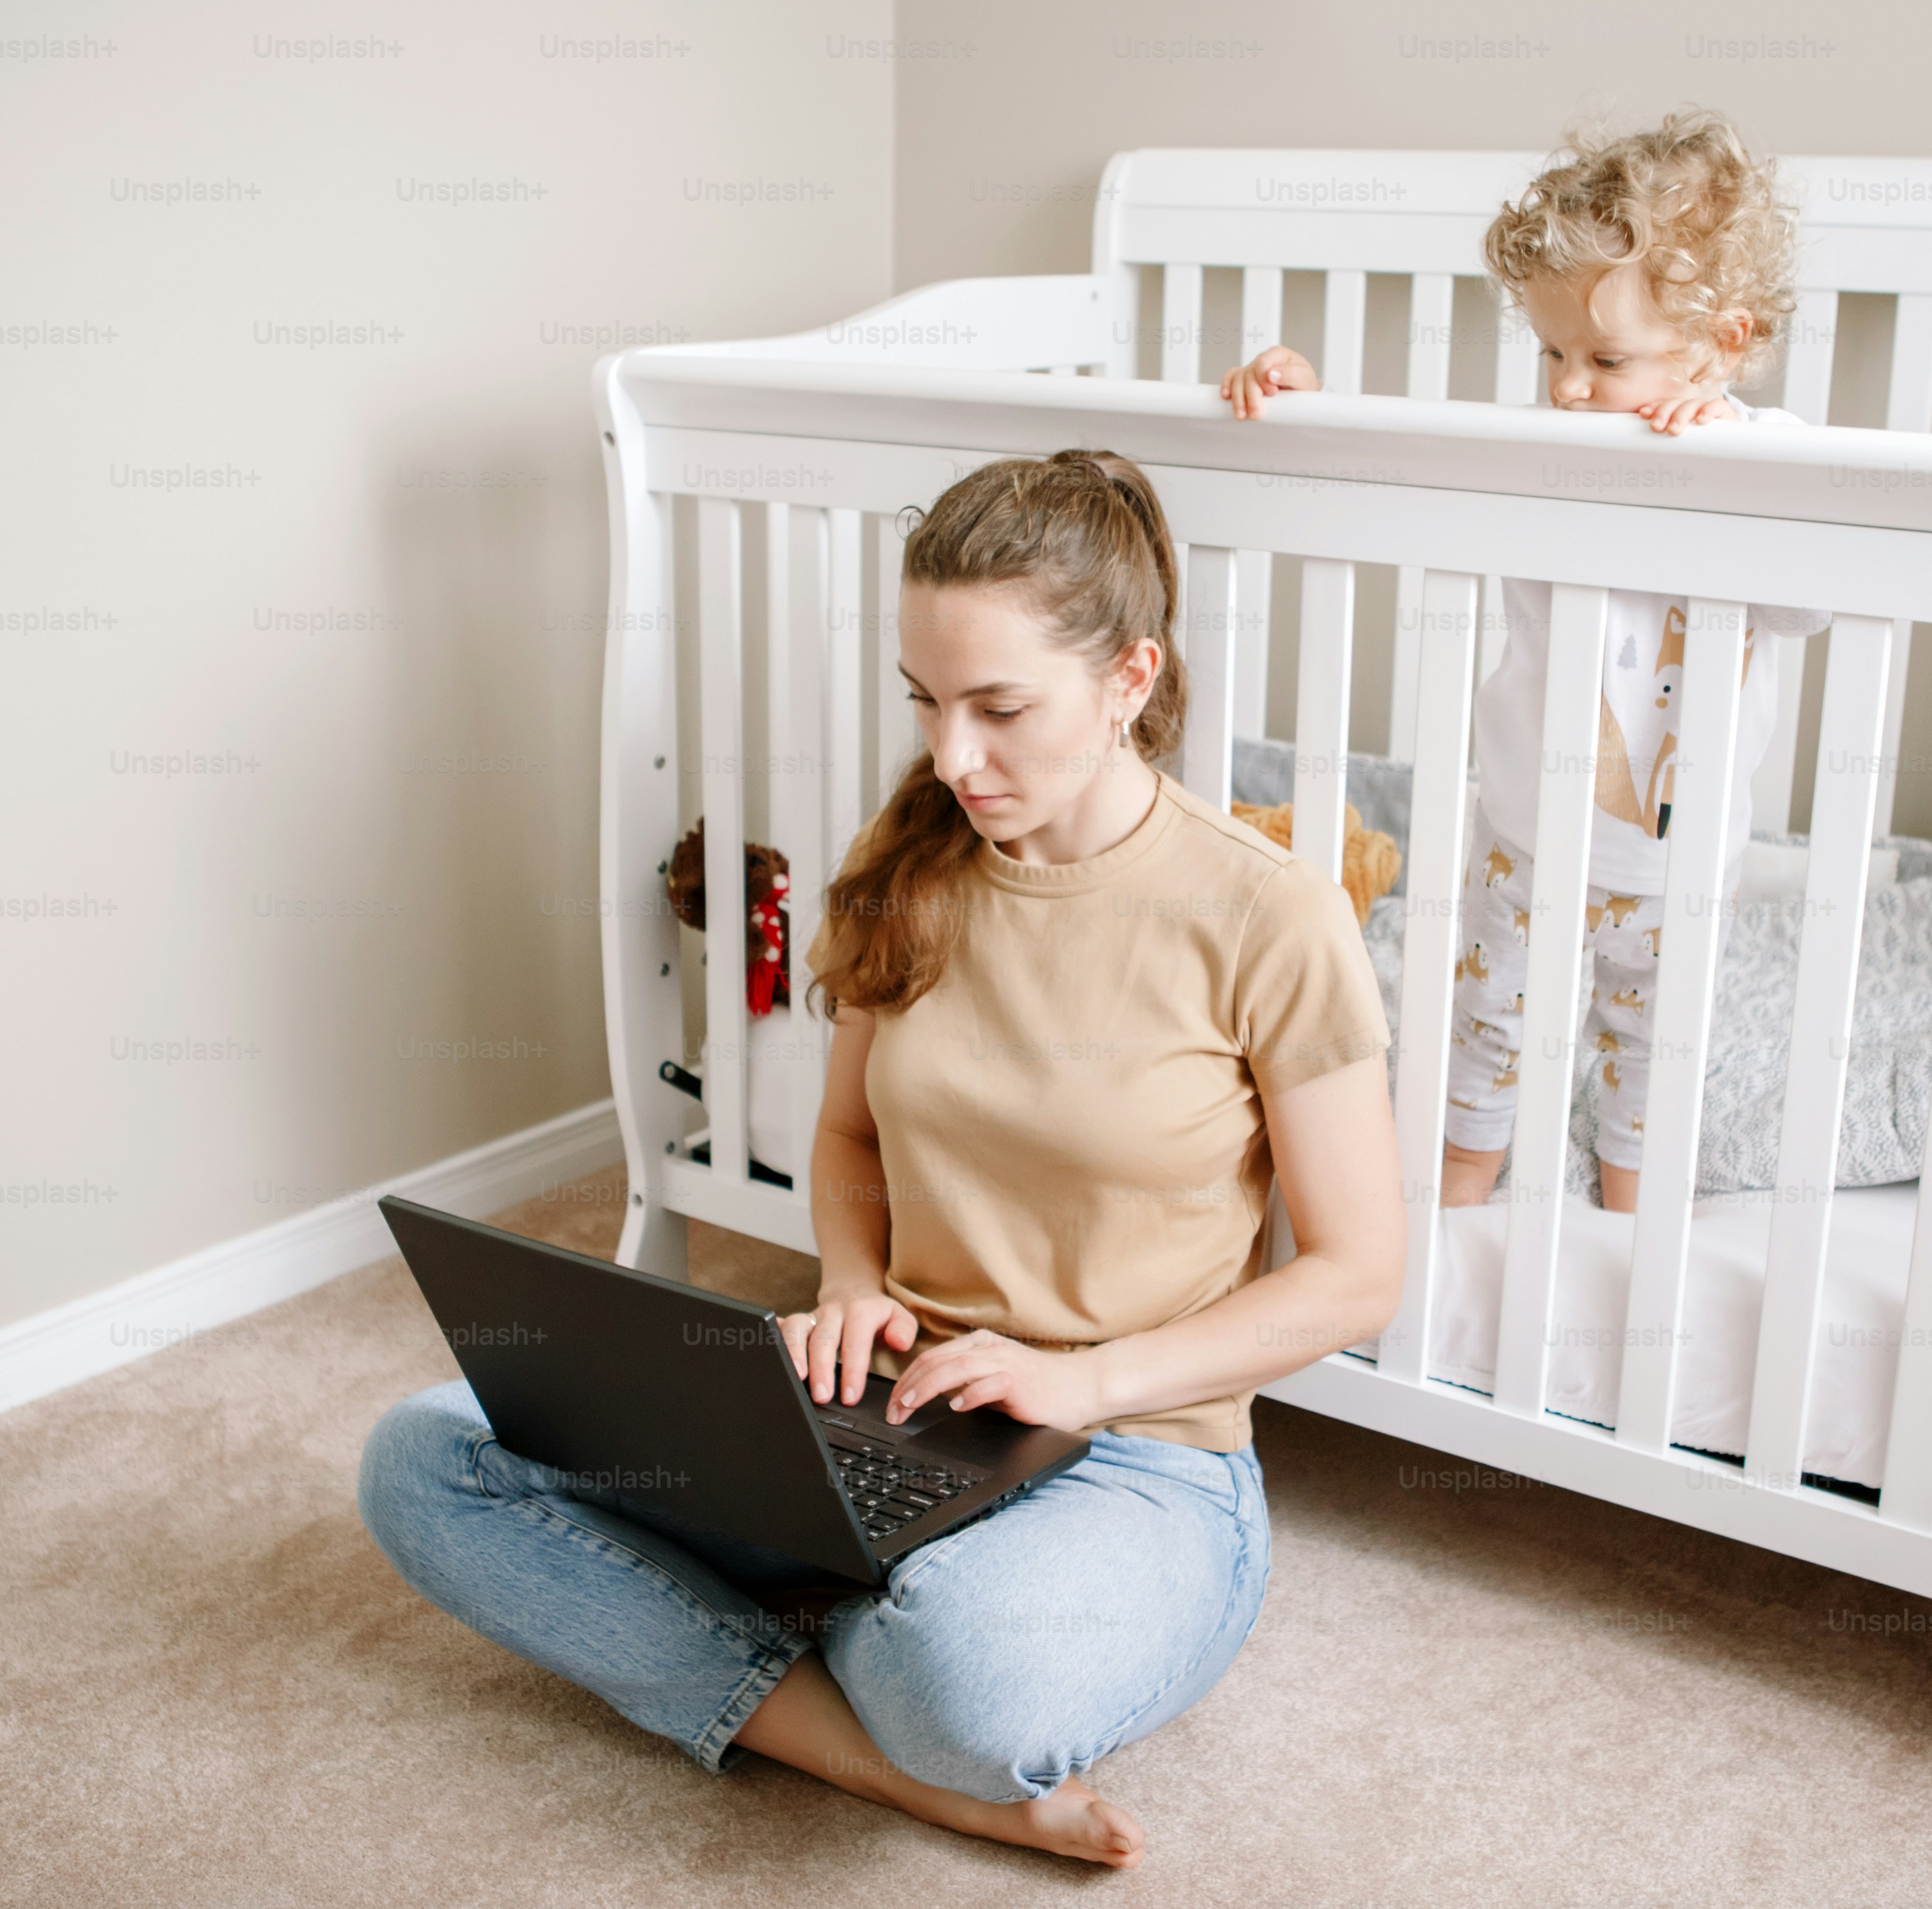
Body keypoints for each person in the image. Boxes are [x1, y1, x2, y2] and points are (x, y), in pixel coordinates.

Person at [357, 449, 1403, 1868]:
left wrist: (1084, 1379)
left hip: (1138, 1453)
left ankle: (839, 1661)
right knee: (430, 1458)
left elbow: (1356, 1274)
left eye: (1000, 708)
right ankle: (893, 1768)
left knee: (966, 1676)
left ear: (1130, 678)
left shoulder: (1271, 915)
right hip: (893, 1408)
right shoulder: (912, 863)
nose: (953, 757)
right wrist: (850, 1280)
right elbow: (848, 1133)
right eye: (925, 700)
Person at [1220, 107, 1829, 1213]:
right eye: (1551, 352)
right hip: (1523, 831)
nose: (1568, 387)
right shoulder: (1539, 453)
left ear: (1723, 342)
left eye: (1605, 359)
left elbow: (1809, 606)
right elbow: (1404, 482)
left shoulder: (1769, 458)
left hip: (1680, 863)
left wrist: (1733, 461)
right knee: (1489, 1017)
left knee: (1651, 1040)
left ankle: (1631, 1202)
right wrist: (1309, 411)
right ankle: (1461, 1179)